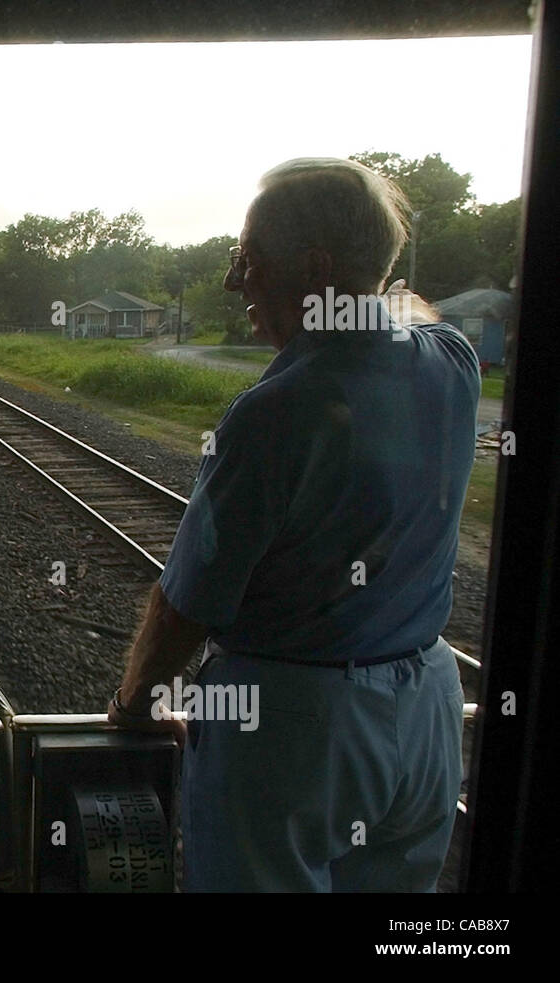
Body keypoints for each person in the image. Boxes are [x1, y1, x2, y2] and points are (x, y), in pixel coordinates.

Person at [106, 157, 477, 892]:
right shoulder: (453, 363)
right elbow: (411, 309)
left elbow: (186, 602)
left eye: (246, 260)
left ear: (313, 267)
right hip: (426, 708)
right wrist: (369, 295)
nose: (234, 282)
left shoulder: (273, 415)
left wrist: (138, 699)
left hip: (292, 731)